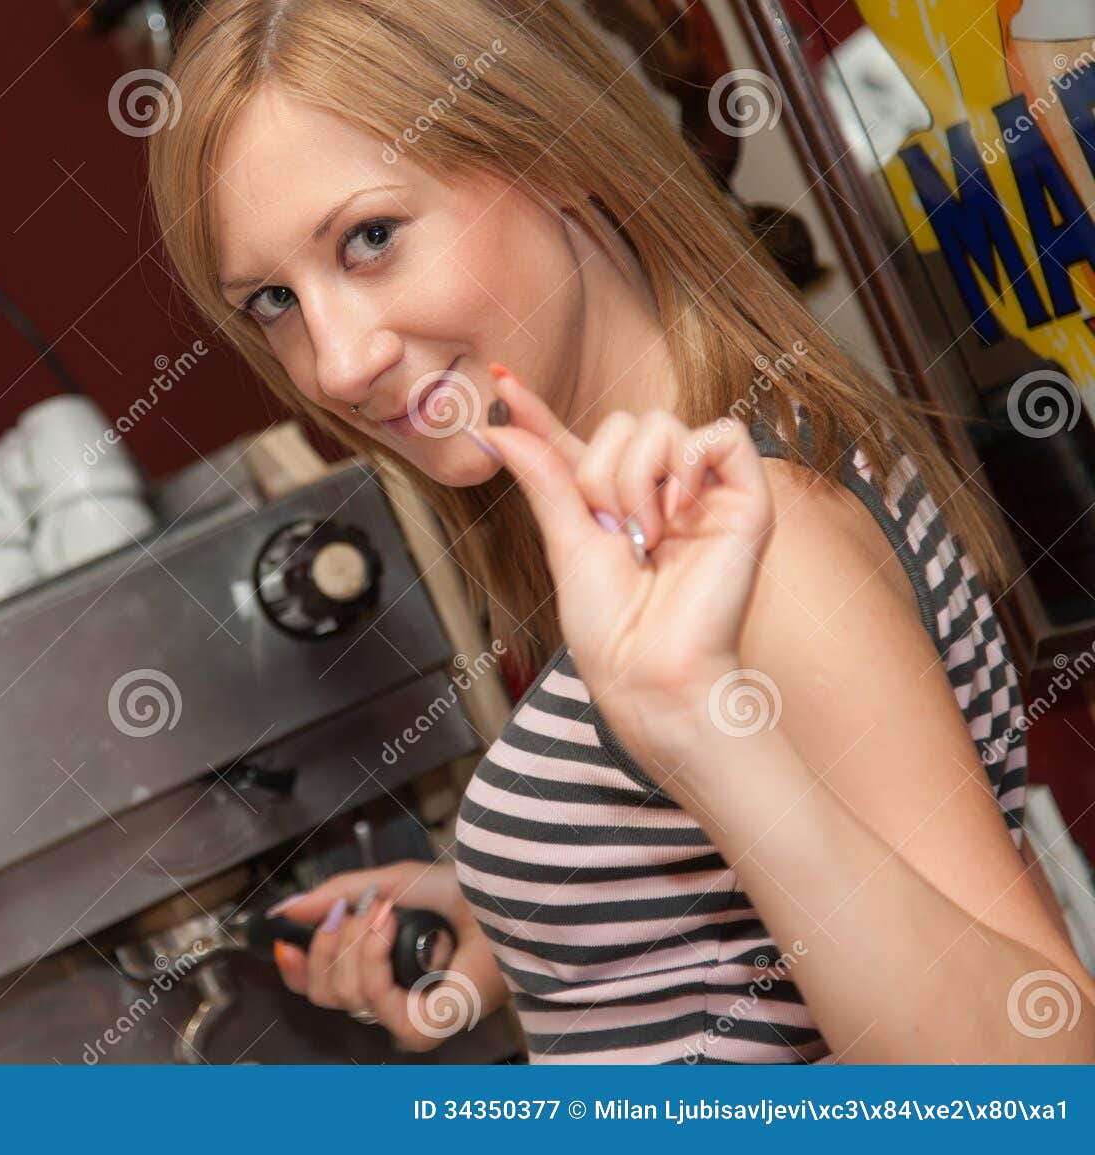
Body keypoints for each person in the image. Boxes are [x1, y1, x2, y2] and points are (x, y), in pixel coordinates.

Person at [144, 0, 1095, 1062]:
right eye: (274, 299)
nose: (336, 363)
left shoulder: (766, 552)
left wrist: (699, 729)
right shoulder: (676, 519)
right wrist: (540, 918)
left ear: (550, 149)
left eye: (370, 238)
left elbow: (1037, 1080)